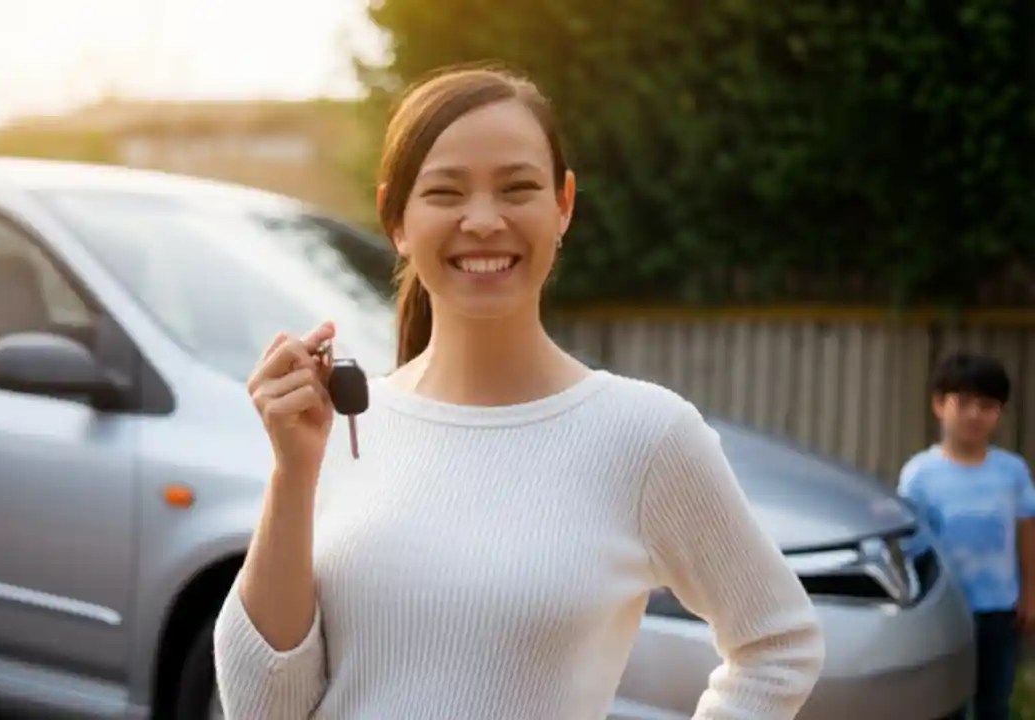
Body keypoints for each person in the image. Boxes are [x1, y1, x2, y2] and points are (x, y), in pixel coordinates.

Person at [213, 66, 824, 720]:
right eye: (446, 192)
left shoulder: (645, 434)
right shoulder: (338, 426)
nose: (482, 220)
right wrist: (293, 470)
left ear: (563, 205)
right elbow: (262, 709)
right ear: (397, 218)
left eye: (517, 188)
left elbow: (778, 642)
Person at [898, 352, 1035, 720]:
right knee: (947, 705)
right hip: (946, 611)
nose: (975, 414)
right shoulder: (919, 475)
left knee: (995, 702)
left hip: (999, 610)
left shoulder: (1013, 472)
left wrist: (1030, 593)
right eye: (964, 403)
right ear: (940, 405)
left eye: (987, 405)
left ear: (1000, 413)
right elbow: (912, 548)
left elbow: (1026, 530)